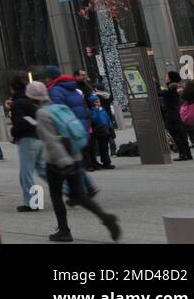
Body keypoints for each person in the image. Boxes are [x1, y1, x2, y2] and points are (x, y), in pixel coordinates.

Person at [32, 81, 120, 242]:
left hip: (56, 162)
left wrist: (64, 163)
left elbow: (52, 142)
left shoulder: (42, 114)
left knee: (56, 196)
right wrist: (75, 158)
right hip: (75, 155)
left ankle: (64, 231)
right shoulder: (61, 108)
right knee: (80, 196)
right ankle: (106, 218)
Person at [8, 76, 42, 210]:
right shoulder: (31, 101)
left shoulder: (18, 103)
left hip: (27, 140)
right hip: (38, 138)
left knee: (26, 174)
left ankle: (32, 203)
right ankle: (73, 191)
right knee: (44, 170)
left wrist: (14, 132)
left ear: (12, 88)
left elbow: (21, 122)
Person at [160, 70, 192, 160]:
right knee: (182, 135)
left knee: (177, 136)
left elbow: (163, 94)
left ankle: (183, 154)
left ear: (171, 78)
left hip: (172, 115)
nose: (165, 78)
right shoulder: (177, 88)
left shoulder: (171, 89)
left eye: (166, 76)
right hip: (179, 114)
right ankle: (188, 154)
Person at [88, 96, 115, 170]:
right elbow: (95, 119)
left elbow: (108, 119)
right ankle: (106, 162)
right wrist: (97, 111)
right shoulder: (93, 111)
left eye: (99, 101)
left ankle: (107, 162)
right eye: (96, 102)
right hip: (100, 130)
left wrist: (111, 128)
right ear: (92, 103)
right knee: (102, 147)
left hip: (106, 130)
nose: (98, 103)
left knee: (106, 147)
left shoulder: (102, 110)